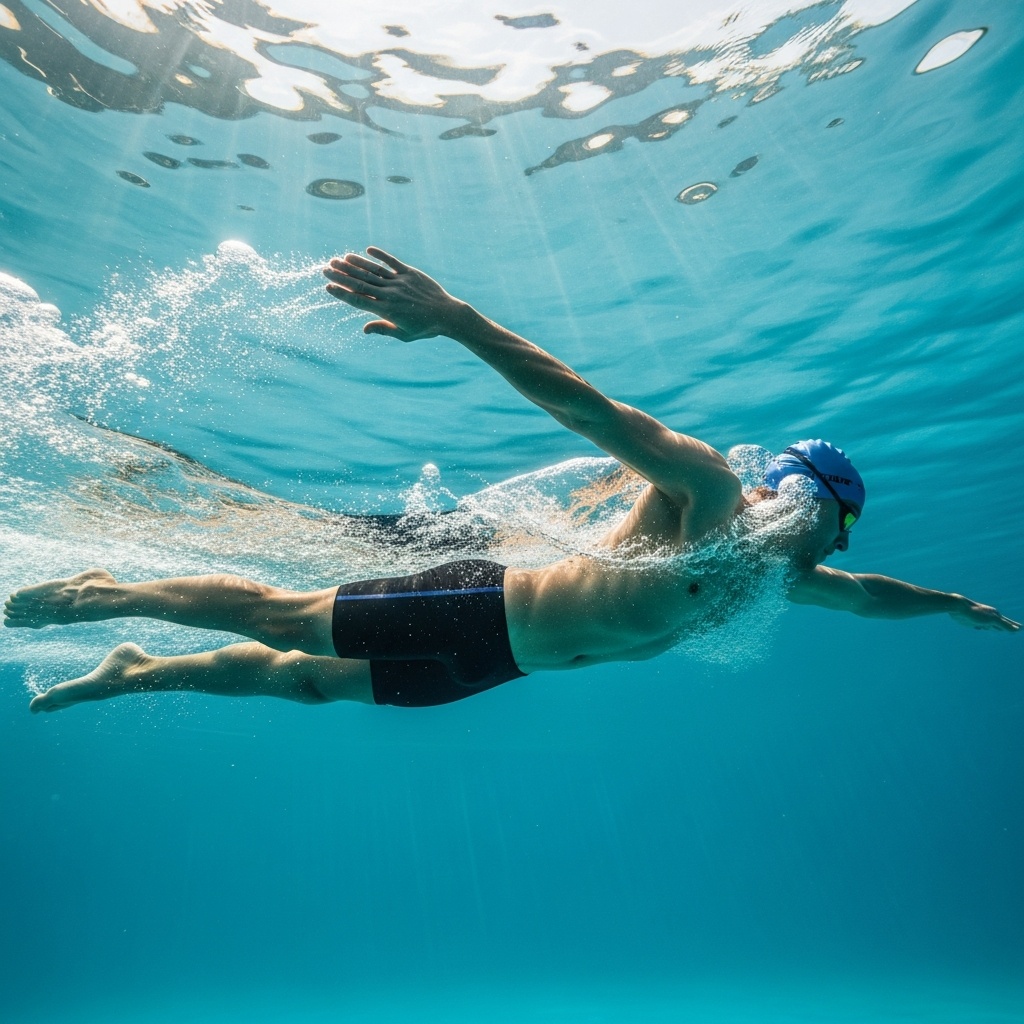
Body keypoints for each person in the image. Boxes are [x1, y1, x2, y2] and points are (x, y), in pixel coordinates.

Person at [5, 248, 1017, 714]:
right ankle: (111, 591)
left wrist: (958, 610)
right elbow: (590, 411)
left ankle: (134, 665)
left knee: (309, 685)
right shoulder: (711, 493)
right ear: (825, 503)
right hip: (482, 600)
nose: (827, 541)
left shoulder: (775, 576)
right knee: (281, 619)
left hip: (505, 663)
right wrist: (454, 318)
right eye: (829, 518)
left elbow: (879, 598)